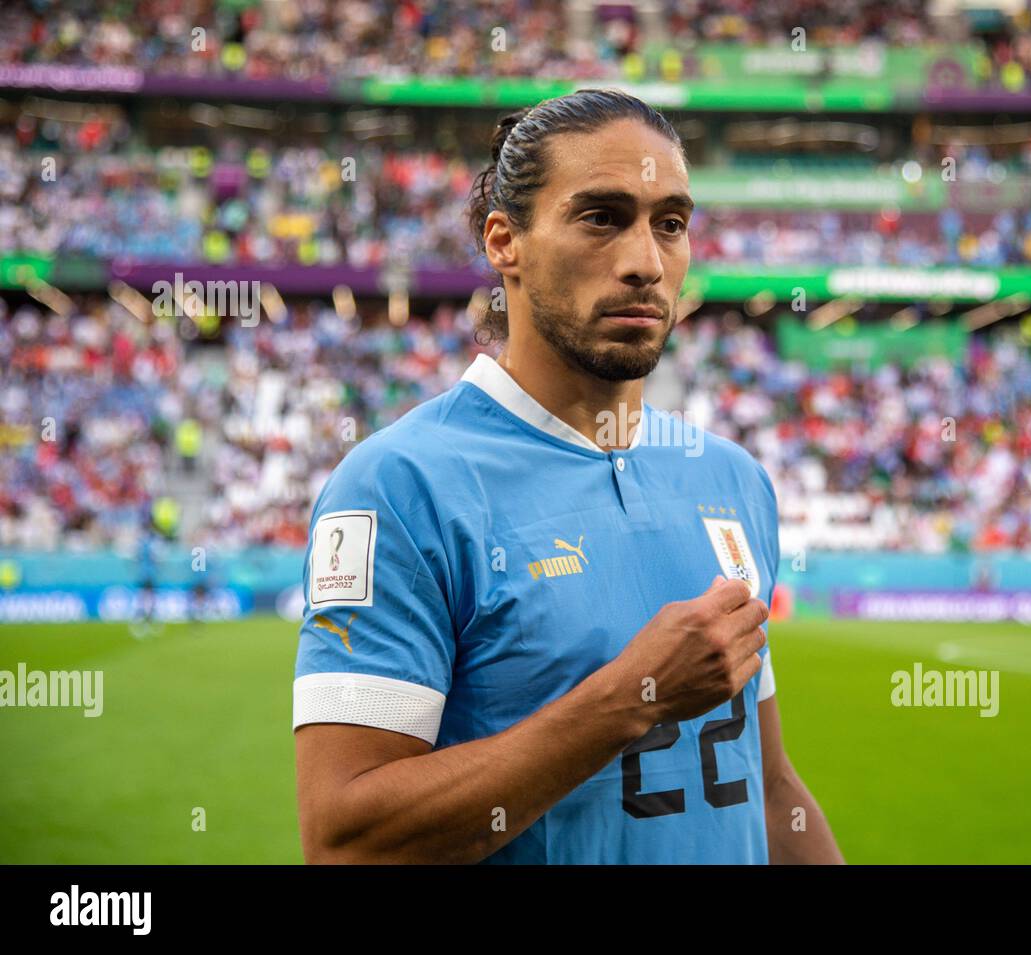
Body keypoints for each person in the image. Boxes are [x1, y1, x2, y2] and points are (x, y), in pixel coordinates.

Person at [292, 89, 842, 864]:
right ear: (503, 240)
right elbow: (348, 843)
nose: (646, 263)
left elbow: (771, 786)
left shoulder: (734, 481)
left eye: (670, 224)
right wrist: (627, 698)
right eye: (601, 217)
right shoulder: (400, 487)